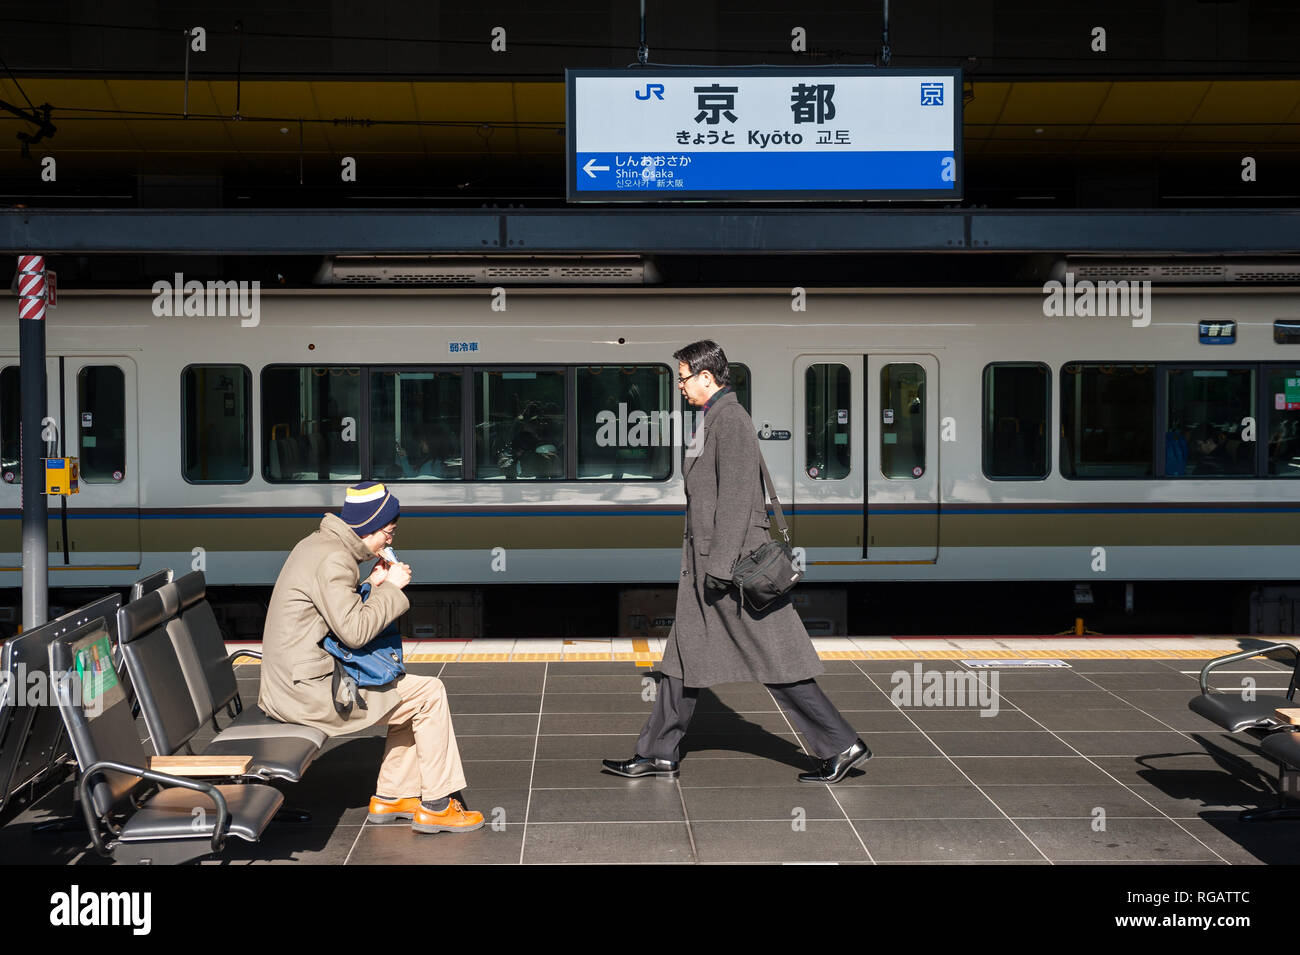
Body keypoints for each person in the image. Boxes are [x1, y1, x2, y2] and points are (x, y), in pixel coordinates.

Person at [602, 340, 871, 783]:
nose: (681, 387)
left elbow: (738, 499)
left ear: (707, 377)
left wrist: (720, 568)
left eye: (684, 378)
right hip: (708, 564)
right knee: (682, 658)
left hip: (728, 570)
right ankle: (658, 751)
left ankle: (841, 745)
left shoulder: (732, 420)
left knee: (775, 660)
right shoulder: (714, 418)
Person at [259, 481, 483, 833]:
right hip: (305, 694)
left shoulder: (318, 546)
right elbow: (355, 631)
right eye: (388, 532)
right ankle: (438, 804)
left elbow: (334, 613)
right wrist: (391, 588)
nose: (390, 541)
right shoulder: (335, 559)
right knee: (429, 694)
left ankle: (395, 796)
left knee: (410, 695)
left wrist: (371, 587)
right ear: (369, 526)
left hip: (293, 681)